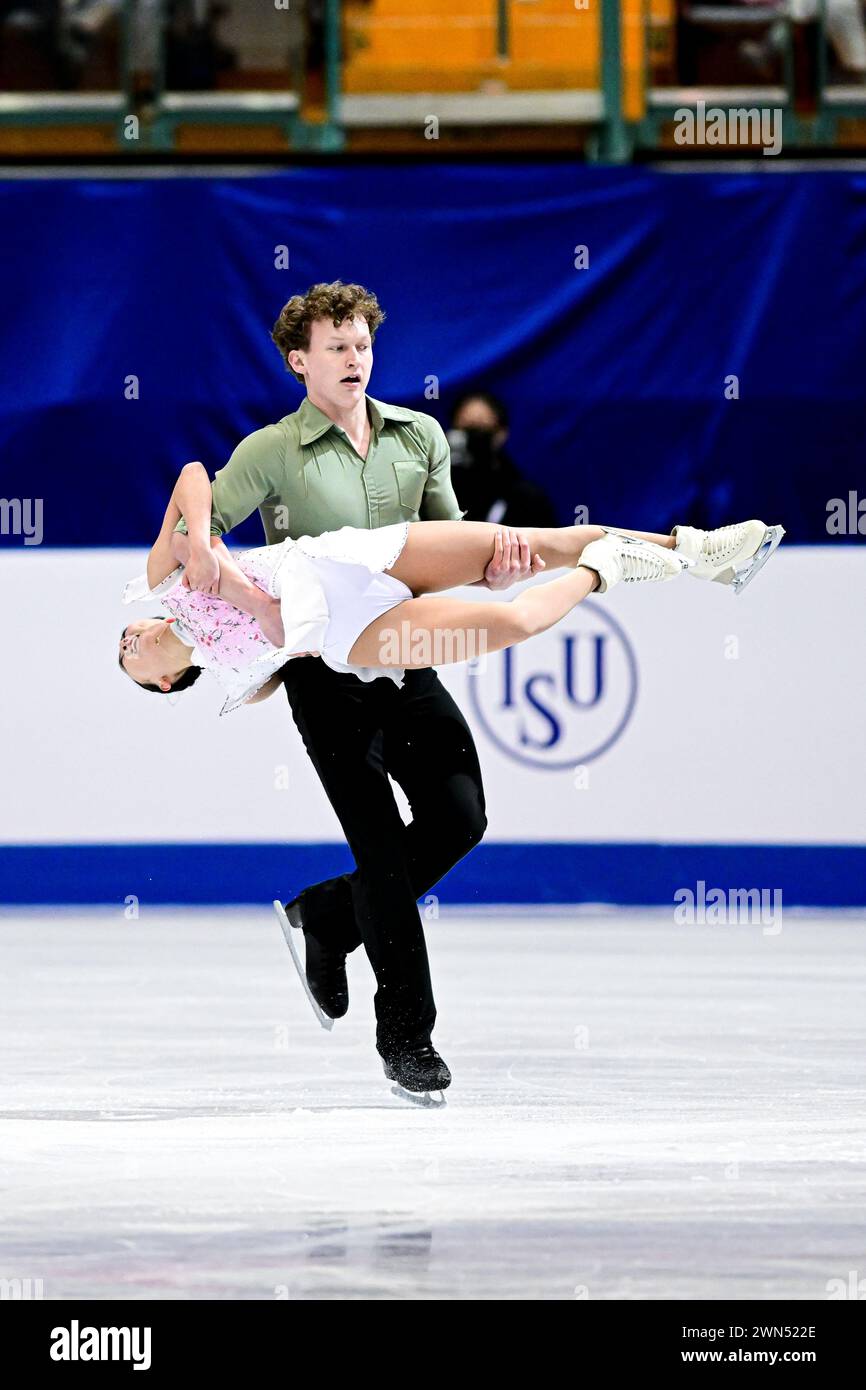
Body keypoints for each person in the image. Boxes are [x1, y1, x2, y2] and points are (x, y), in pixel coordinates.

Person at [119, 456, 784, 1095]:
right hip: (354, 633)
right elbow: (281, 640)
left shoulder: (164, 578)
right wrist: (259, 611)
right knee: (515, 621)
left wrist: (207, 553)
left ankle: (698, 552)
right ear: (169, 681)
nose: (127, 646)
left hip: (344, 560)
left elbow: (192, 478)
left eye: (123, 640)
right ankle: (602, 574)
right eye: (132, 666)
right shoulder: (234, 674)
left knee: (531, 543)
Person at [448, 389, 558, 529]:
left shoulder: (526, 498)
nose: (472, 438)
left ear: (501, 433)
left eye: (480, 428)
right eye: (465, 427)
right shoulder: (439, 492)